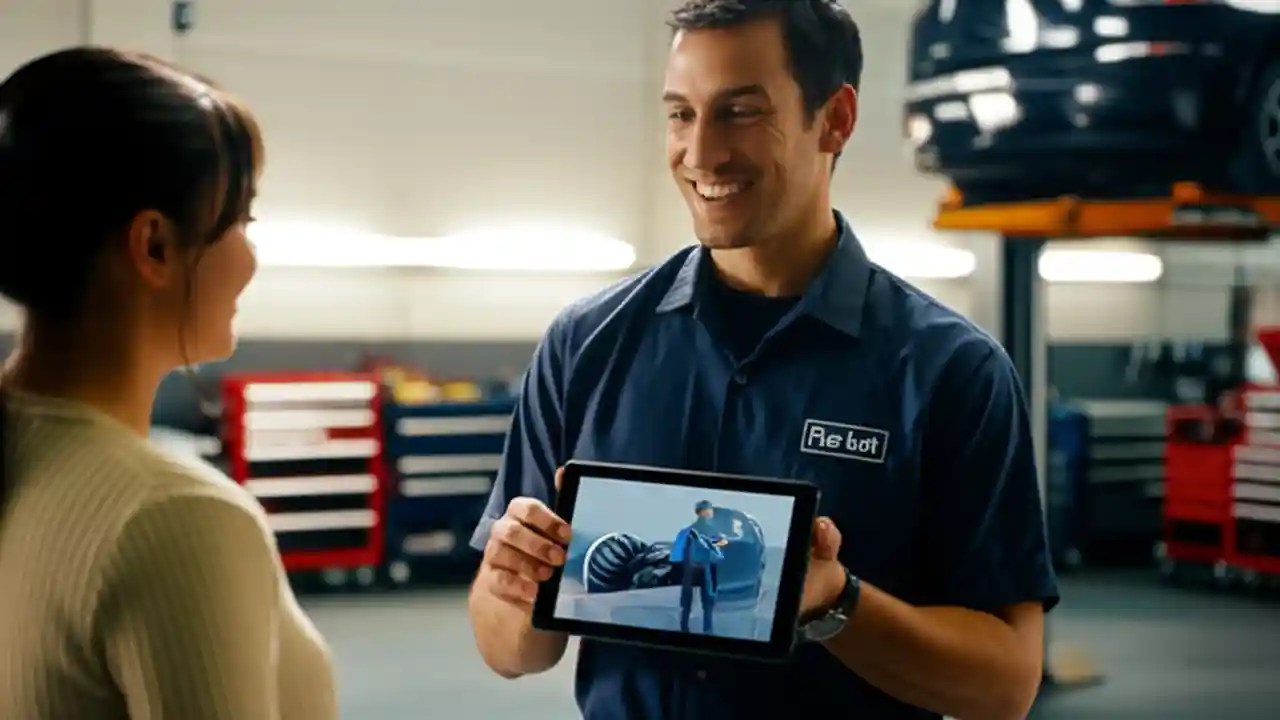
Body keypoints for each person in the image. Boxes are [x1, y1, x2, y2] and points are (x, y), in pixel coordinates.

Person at [467, 1, 1059, 718]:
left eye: (741, 112)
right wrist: (515, 583)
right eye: (681, 114)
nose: (702, 153)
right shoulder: (586, 345)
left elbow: (1004, 684)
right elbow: (510, 651)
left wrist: (835, 604)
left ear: (835, 119)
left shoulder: (951, 372)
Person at [0, 48, 337, 719]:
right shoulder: (175, 517)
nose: (249, 256)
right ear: (154, 246)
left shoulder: (23, 448)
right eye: (243, 219)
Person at [671, 500, 729, 633]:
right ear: (704, 512)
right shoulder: (712, 531)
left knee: (686, 601)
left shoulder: (687, 531)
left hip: (689, 569)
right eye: (709, 510)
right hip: (706, 568)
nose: (711, 512)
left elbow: (677, 553)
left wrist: (677, 567)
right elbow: (723, 545)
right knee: (708, 602)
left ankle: (684, 627)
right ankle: (708, 630)